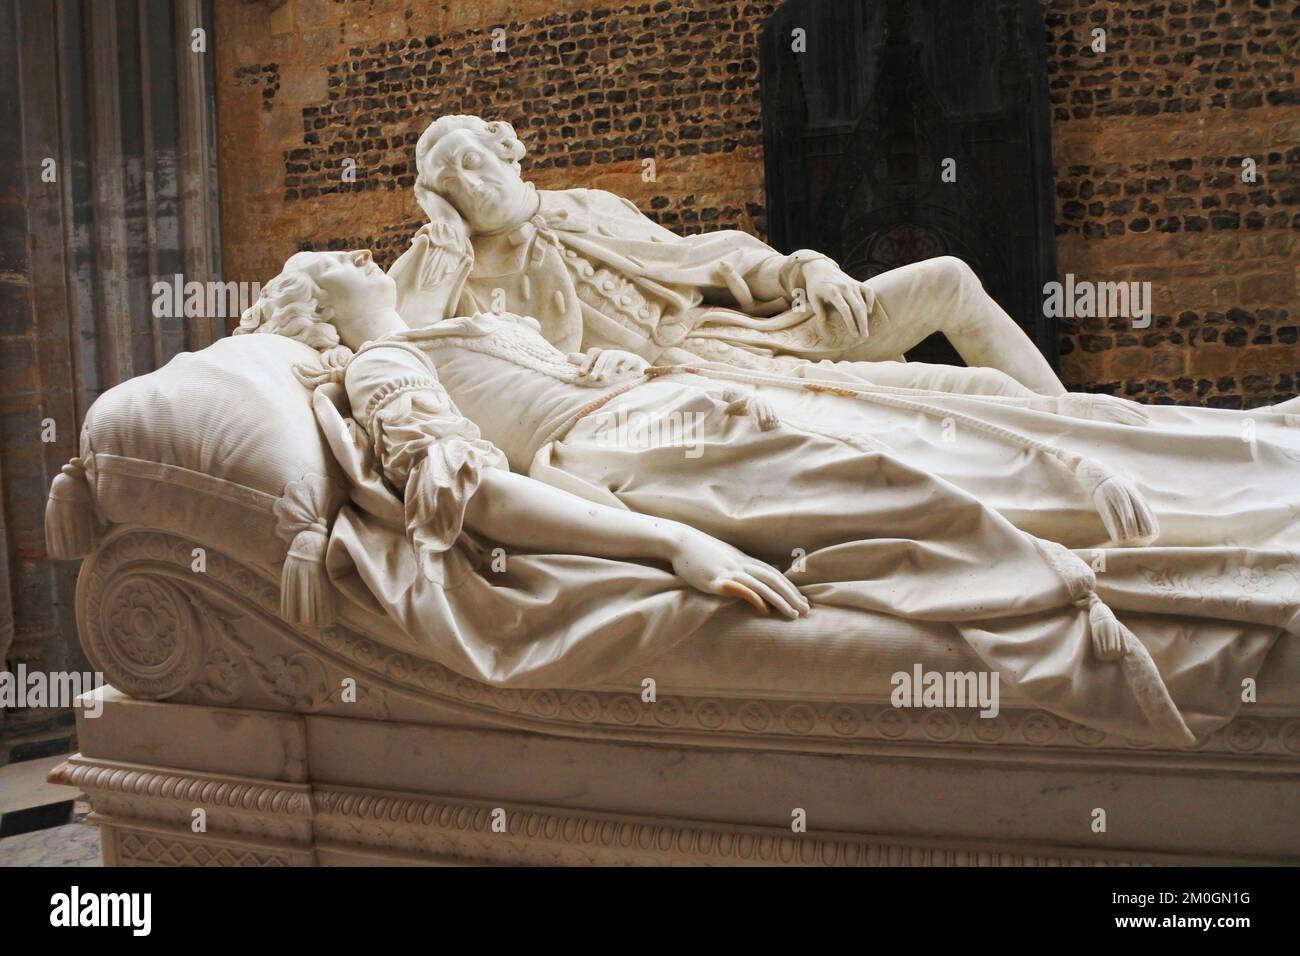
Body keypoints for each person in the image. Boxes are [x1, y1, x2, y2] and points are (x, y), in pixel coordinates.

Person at [237, 249, 1300, 746]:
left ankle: (1244, 470)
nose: (360, 251)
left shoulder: (421, 329)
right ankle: (1223, 547)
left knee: (974, 419)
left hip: (685, 402)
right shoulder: (381, 367)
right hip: (637, 444)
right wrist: (671, 549)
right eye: (334, 258)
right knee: (912, 486)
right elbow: (485, 501)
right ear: (317, 305)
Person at [389, 114, 1067, 397]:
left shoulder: (590, 205)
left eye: (475, 163)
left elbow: (703, 257)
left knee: (947, 280)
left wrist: (809, 266)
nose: (472, 185)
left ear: (509, 153)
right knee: (967, 393)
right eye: (450, 184)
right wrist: (440, 238)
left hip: (749, 331)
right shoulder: (451, 267)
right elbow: (389, 341)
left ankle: (1077, 423)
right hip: (689, 384)